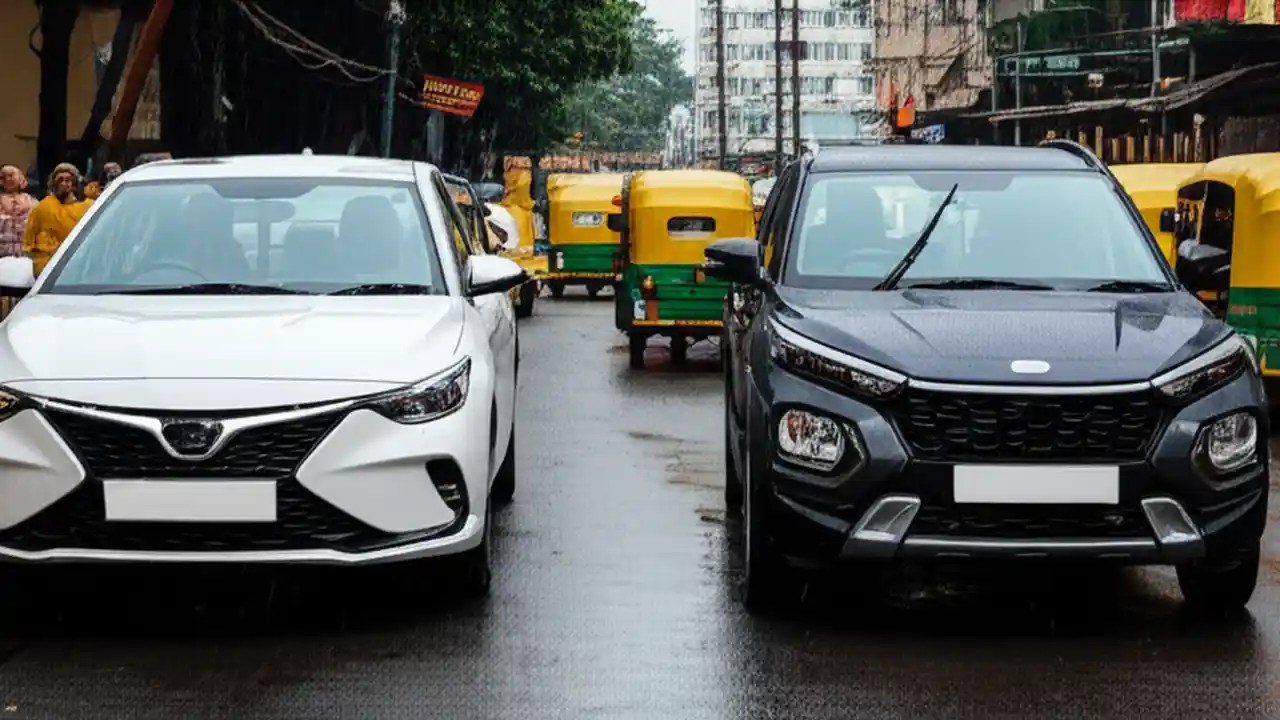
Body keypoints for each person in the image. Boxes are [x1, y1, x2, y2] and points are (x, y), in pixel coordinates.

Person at [23, 163, 92, 276]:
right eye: (60, 180)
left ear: (74, 184)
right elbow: (28, 243)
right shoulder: (42, 208)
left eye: (68, 180)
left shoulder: (87, 208)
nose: (63, 184)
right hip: (46, 270)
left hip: (77, 267)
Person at [0, 165, 36, 258]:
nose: (7, 179)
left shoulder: (32, 201)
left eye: (11, 175)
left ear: (20, 178)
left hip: (27, 254)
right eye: (2, 177)